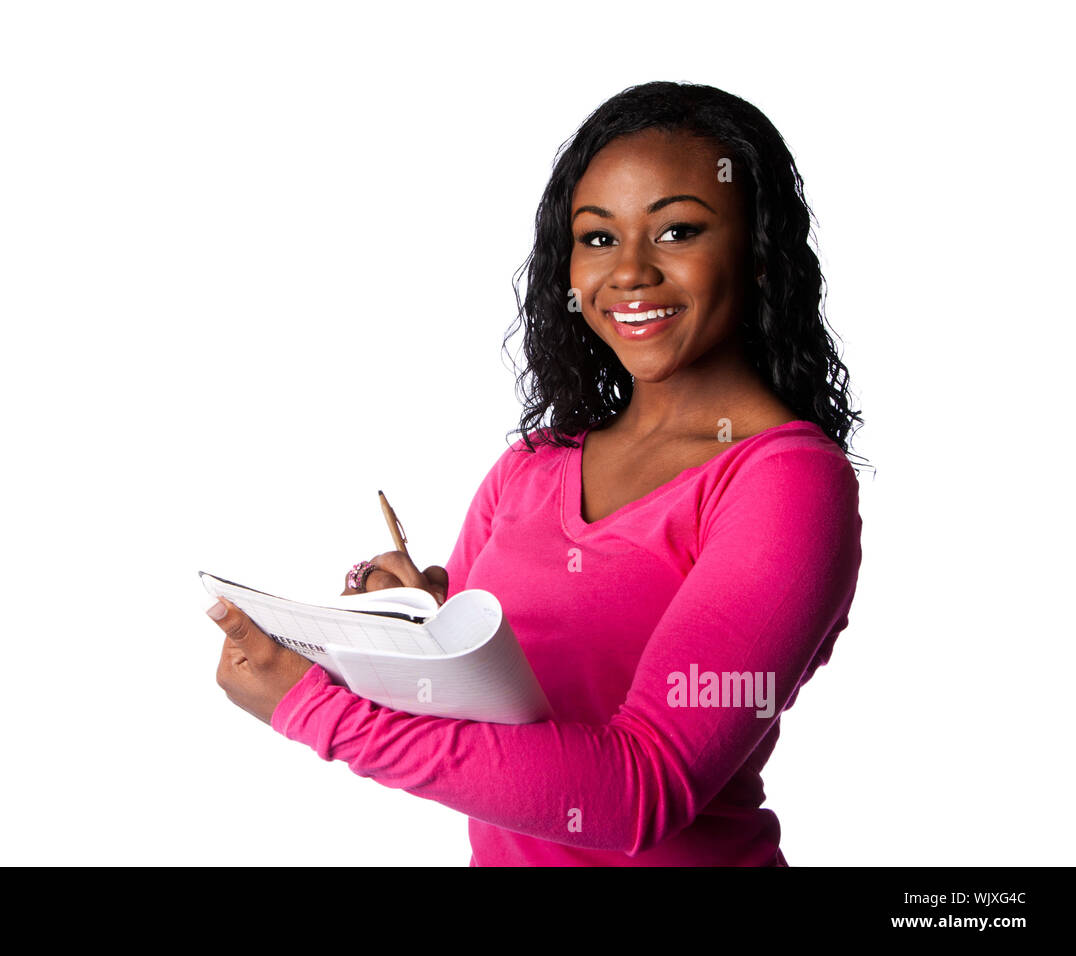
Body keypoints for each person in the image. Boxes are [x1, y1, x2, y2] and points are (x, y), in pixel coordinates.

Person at [210, 81, 867, 866]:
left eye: (677, 231)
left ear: (760, 254)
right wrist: (404, 625)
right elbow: (484, 715)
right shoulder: (530, 466)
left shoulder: (787, 485)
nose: (629, 273)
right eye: (597, 239)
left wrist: (311, 710)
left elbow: (639, 791)